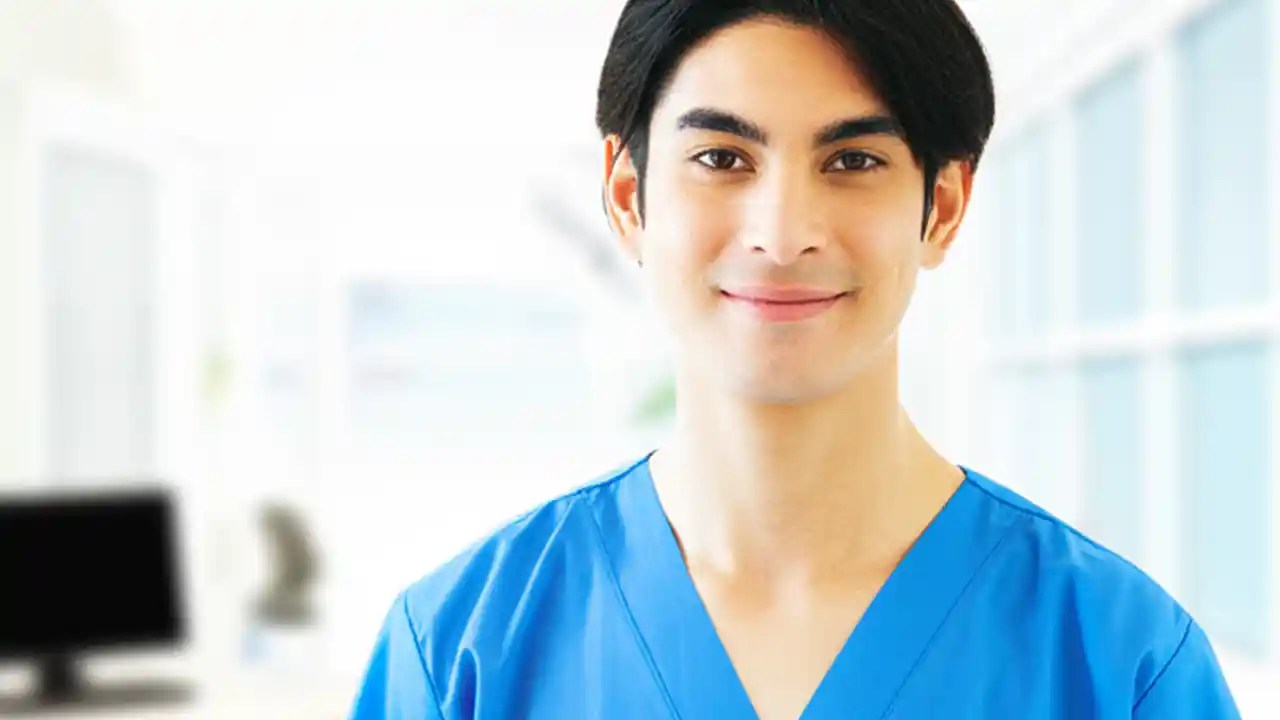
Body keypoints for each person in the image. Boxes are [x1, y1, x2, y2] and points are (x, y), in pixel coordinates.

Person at [351, 1, 1241, 718]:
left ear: (943, 209)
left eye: (852, 159)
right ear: (628, 199)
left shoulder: (1118, 663)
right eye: (721, 158)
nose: (782, 235)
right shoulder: (463, 653)